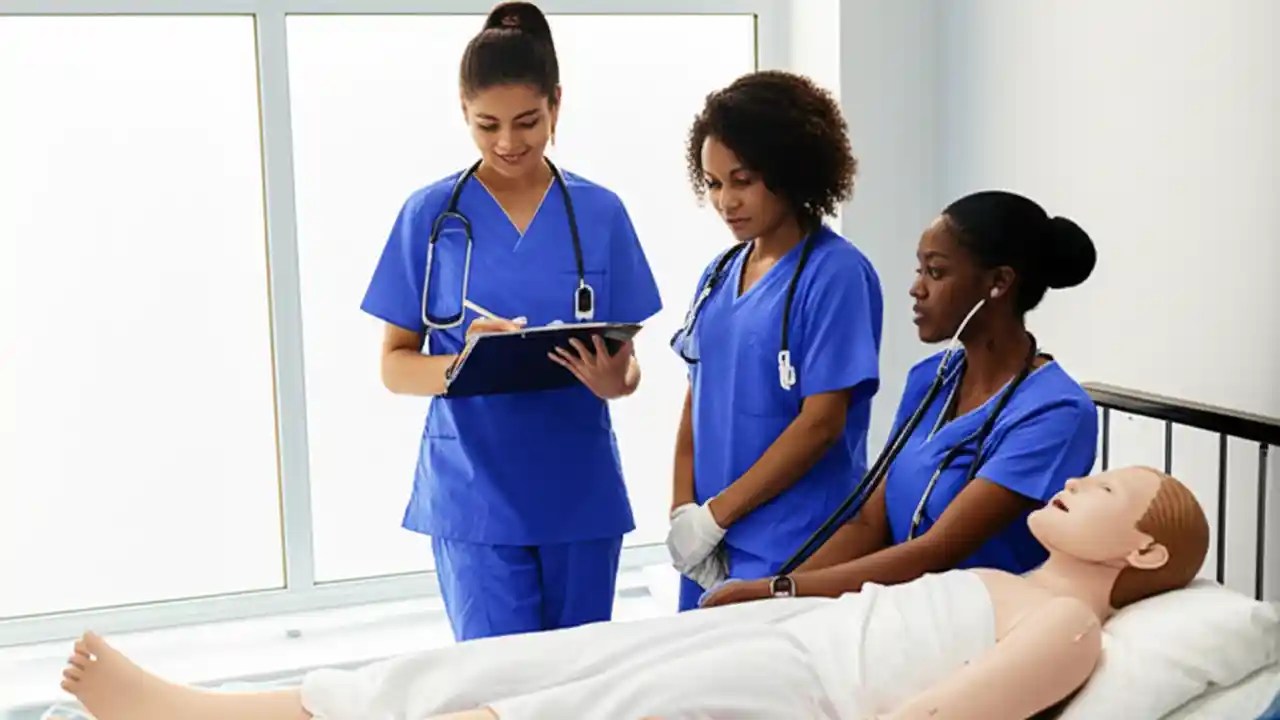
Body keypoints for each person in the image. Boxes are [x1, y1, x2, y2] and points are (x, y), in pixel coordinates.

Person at [54, 466, 1211, 720]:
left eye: (1107, 484)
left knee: (565, 712)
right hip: (800, 635)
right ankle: (226, 714)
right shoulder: (1011, 579)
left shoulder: (1062, 620)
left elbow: (928, 719)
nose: (1074, 476)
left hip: (806, 685)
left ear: (1144, 557)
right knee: (509, 665)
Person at [359, 1, 662, 641]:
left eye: (528, 121)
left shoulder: (600, 213)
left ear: (557, 102)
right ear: (461, 111)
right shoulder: (430, 216)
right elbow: (393, 365)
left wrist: (619, 381)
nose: (507, 142)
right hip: (473, 496)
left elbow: (628, 361)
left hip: (578, 490)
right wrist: (463, 362)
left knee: (576, 687)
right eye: (485, 124)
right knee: (498, 687)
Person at [701, 189, 1101, 609]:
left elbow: (937, 549)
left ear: (998, 282)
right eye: (920, 269)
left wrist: (778, 590)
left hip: (983, 624)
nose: (916, 289)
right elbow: (868, 524)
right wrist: (782, 598)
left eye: (936, 272)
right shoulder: (932, 380)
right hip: (901, 610)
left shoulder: (1055, 412)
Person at [665, 70, 884, 611]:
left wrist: (717, 515)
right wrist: (682, 515)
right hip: (710, 545)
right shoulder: (719, 274)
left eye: (743, 181)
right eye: (714, 184)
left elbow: (821, 422)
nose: (725, 202)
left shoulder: (835, 275)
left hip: (793, 542)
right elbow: (698, 395)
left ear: (790, 172)